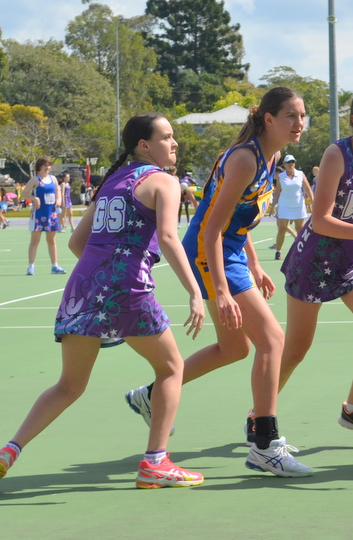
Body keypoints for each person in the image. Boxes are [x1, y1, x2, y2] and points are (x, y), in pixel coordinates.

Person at [0, 113, 206, 491]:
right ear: (144, 145)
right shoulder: (164, 181)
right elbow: (168, 236)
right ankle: (156, 463)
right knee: (171, 369)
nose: (174, 143)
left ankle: (8, 451)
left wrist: (102, 273)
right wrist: (195, 292)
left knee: (69, 385)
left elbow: (77, 245)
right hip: (128, 287)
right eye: (167, 137)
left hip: (82, 288)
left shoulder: (113, 182)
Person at [124, 87, 313, 478]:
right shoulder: (245, 159)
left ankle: (151, 395)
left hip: (228, 251)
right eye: (291, 115)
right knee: (272, 340)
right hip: (208, 253)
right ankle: (265, 443)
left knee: (235, 348)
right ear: (268, 118)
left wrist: (255, 264)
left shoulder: (271, 155)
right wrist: (223, 289)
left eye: (302, 115)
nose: (299, 123)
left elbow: (238, 223)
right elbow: (211, 228)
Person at [278, 89, 353, 442]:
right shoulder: (337, 155)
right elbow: (319, 220)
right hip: (315, 260)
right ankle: (261, 413)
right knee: (297, 350)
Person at [21, 157, 66, 275]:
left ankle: (55, 266)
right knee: (35, 240)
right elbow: (24, 193)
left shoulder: (53, 179)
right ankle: (31, 266)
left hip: (51, 213)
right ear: (39, 167)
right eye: (45, 165)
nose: (47, 167)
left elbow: (57, 190)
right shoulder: (35, 179)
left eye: (49, 165)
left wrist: (59, 199)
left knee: (52, 240)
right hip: (39, 214)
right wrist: (34, 198)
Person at [273, 154, 314, 261]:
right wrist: (273, 206)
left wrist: (313, 202)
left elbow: (308, 189)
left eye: (293, 162)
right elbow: (277, 193)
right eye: (289, 162)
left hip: (298, 205)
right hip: (284, 205)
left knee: (300, 229)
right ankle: (278, 251)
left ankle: (301, 251)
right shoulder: (281, 176)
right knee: (282, 228)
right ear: (284, 164)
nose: (291, 164)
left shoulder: (300, 174)